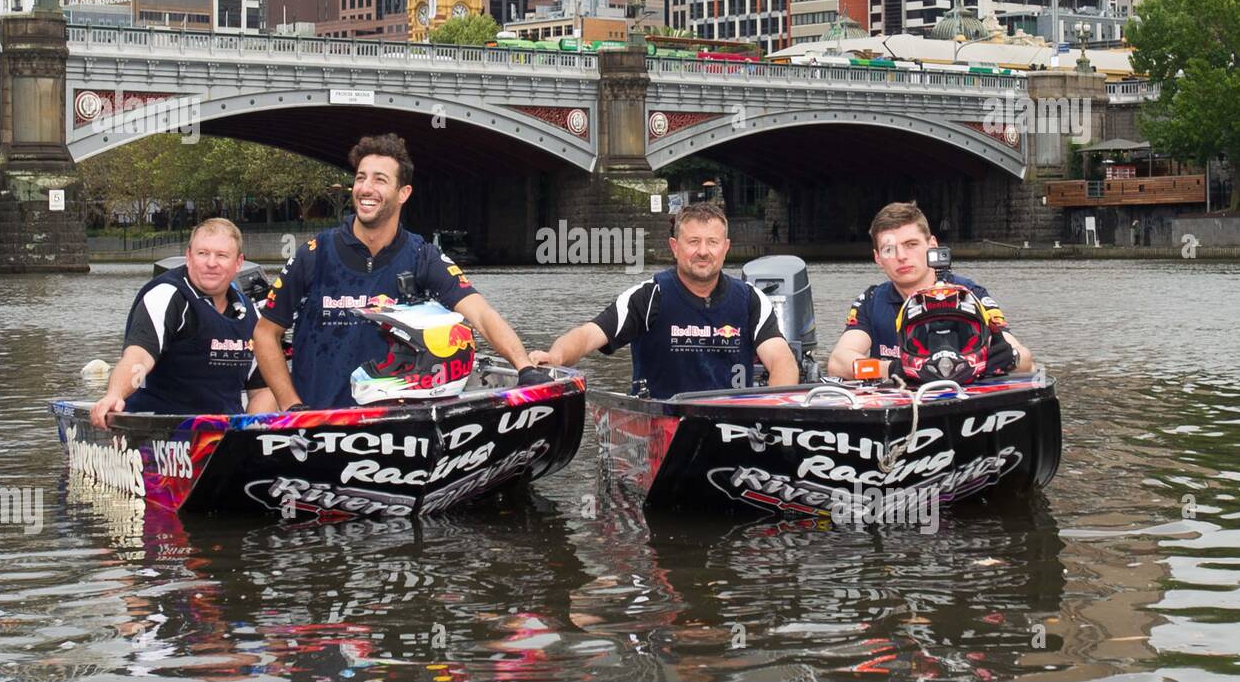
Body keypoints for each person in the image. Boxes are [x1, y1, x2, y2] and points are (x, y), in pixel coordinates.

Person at [253, 133, 549, 410]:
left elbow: (481, 314)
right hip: (323, 427)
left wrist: (524, 368)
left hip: (396, 429)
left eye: (380, 180)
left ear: (403, 193)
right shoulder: (313, 255)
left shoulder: (423, 256)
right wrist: (292, 408)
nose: (366, 188)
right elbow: (266, 334)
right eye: (360, 178)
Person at [530, 201, 799, 399]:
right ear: (674, 247)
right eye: (693, 242)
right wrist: (556, 355)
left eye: (712, 242)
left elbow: (781, 361)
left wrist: (772, 409)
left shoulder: (751, 300)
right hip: (662, 424)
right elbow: (588, 335)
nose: (703, 252)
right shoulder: (649, 296)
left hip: (732, 425)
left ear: (725, 248)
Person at [90, 218, 275, 427]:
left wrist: (253, 429)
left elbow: (263, 388)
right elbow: (139, 357)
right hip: (158, 429)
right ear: (188, 256)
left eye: (222, 255)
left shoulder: (251, 315)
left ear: (238, 263)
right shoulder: (166, 296)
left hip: (224, 436)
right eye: (202, 253)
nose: (211, 263)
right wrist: (115, 394)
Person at [827, 201, 1033, 379]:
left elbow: (1025, 360)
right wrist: (892, 369)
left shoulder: (969, 293)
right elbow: (838, 363)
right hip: (899, 400)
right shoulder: (871, 301)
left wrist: (1007, 359)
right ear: (878, 258)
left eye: (911, 244)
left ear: (932, 245)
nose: (901, 256)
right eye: (889, 249)